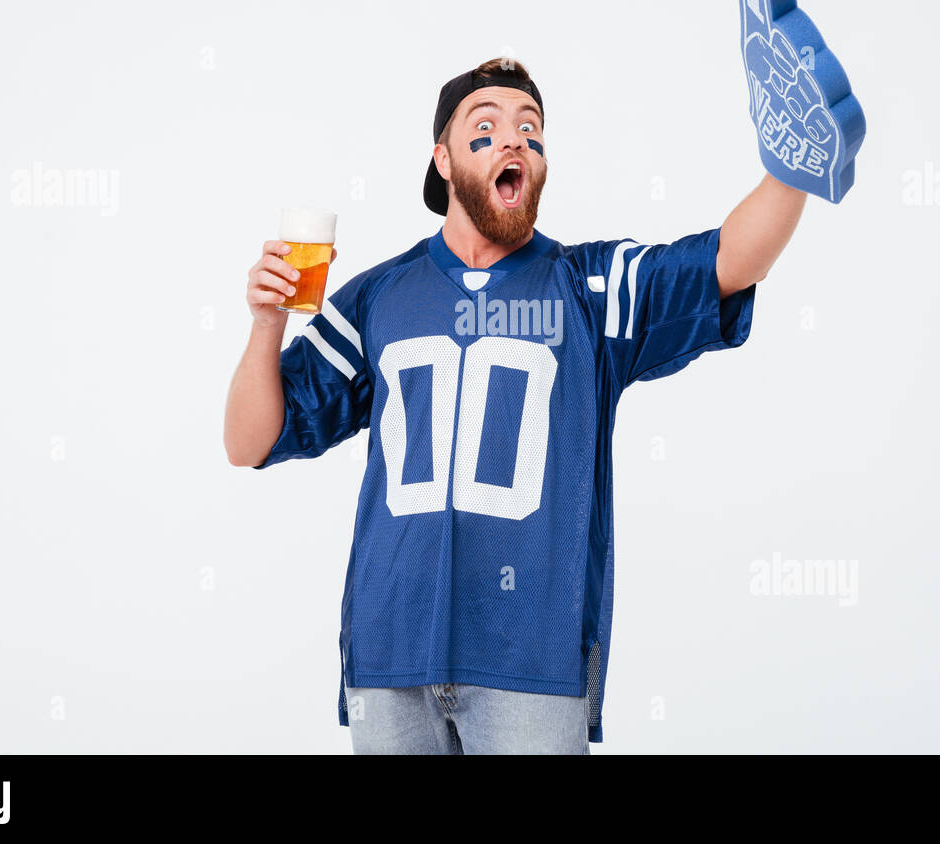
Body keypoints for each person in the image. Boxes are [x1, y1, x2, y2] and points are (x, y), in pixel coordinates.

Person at [223, 58, 807, 753]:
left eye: (531, 131)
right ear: (442, 158)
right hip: (389, 653)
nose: (515, 141)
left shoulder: (589, 290)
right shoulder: (379, 296)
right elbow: (249, 442)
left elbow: (730, 260)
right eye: (488, 126)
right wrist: (267, 325)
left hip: (532, 660)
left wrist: (792, 163)